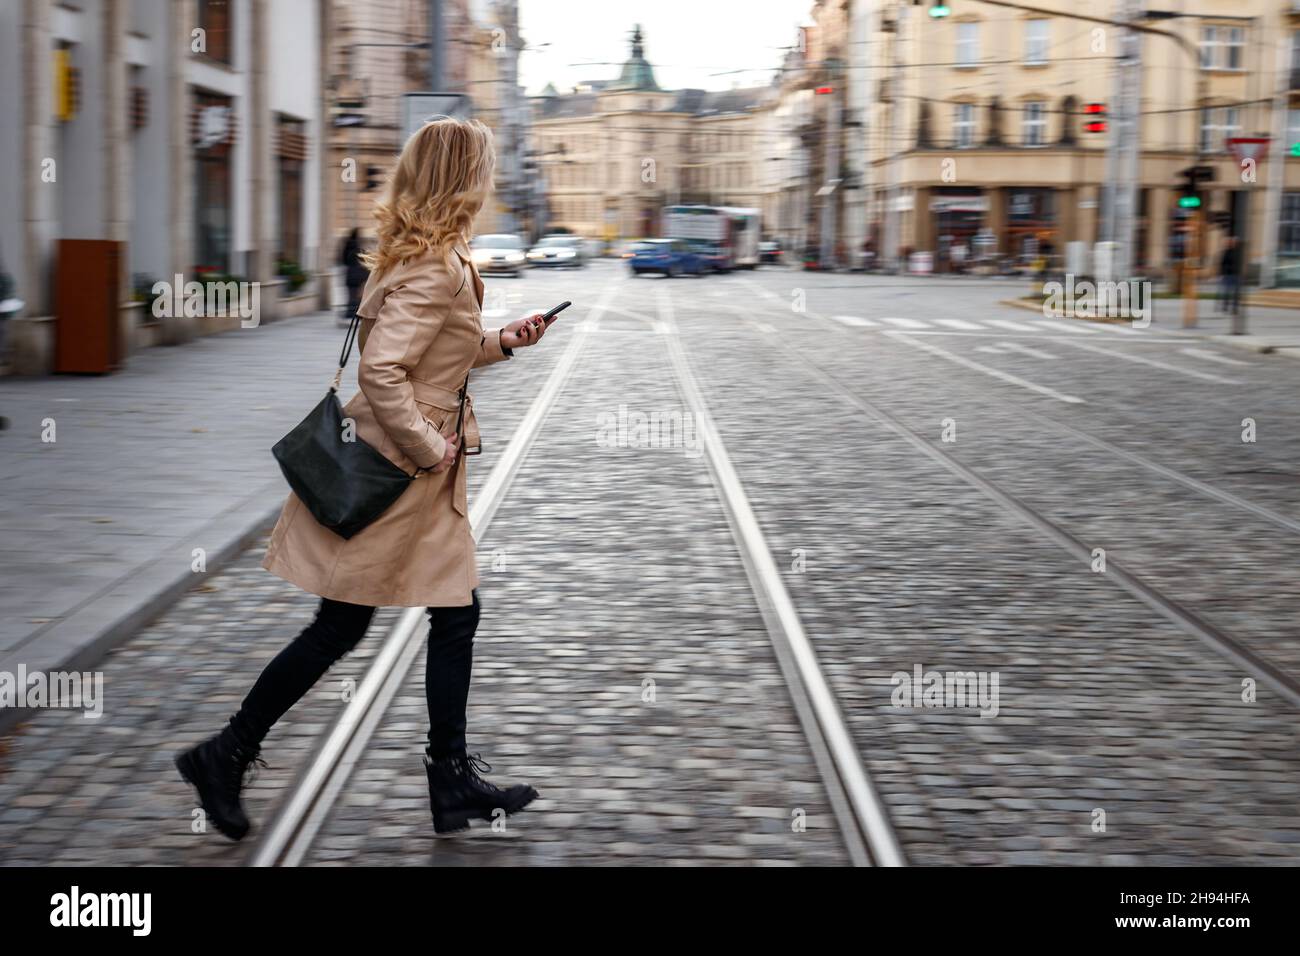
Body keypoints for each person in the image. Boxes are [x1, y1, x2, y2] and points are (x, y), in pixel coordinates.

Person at [176, 118, 553, 840]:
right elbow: (385, 371)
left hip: (408, 463)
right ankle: (231, 755)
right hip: (401, 468)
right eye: (483, 168)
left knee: (418, 615)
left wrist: (503, 342)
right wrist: (426, 446)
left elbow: (434, 353)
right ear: (462, 179)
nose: (491, 181)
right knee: (360, 623)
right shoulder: (437, 264)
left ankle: (441, 780)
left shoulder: (427, 257)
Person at [339, 227, 368, 322]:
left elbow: (343, 261)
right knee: (357, 295)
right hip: (358, 276)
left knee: (350, 295)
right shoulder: (359, 249)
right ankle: (355, 313)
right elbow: (364, 262)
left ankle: (349, 313)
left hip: (349, 275)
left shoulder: (346, 247)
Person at [1218, 236, 1241, 315]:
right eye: (1232, 242)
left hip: (1236, 274)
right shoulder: (1226, 252)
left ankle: (1235, 308)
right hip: (1227, 274)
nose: (1234, 244)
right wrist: (1222, 274)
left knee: (1236, 293)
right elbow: (1222, 263)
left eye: (1235, 242)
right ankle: (1225, 306)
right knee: (1226, 292)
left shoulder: (1238, 252)